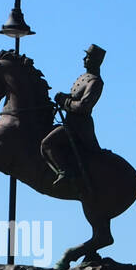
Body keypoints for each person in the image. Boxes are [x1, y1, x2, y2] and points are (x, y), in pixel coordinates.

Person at [41, 44, 105, 190]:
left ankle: (65, 172)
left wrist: (65, 101)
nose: (84, 59)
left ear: (95, 61)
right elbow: (74, 97)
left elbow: (84, 106)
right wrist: (63, 97)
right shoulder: (84, 77)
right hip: (70, 122)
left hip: (78, 126)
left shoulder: (95, 82)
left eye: (88, 57)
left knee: (47, 144)